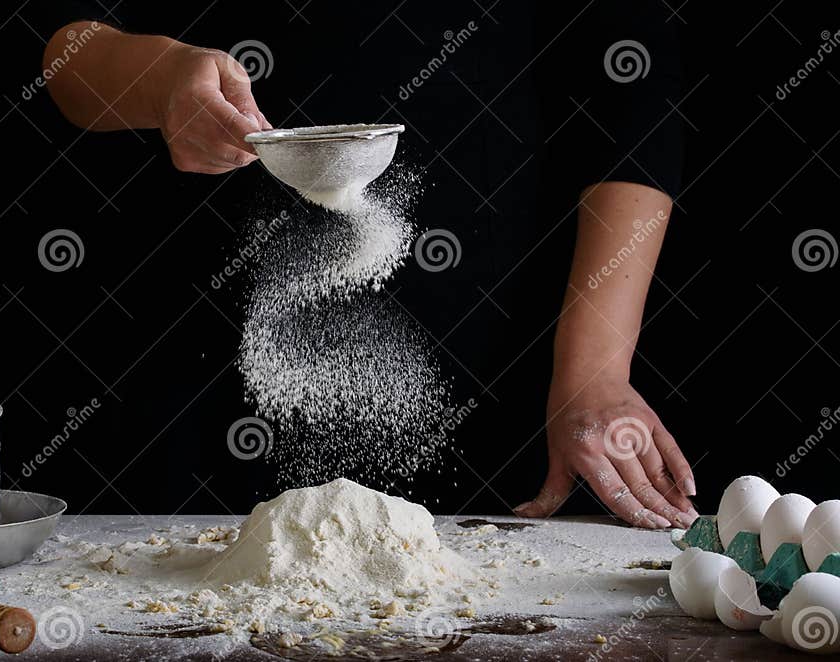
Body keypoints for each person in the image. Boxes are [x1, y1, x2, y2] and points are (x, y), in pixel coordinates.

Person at [35, 2, 698, 529]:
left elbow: (634, 96)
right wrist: (161, 79)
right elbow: (64, 50)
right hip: (184, 347)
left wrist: (595, 371)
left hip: (488, 354)